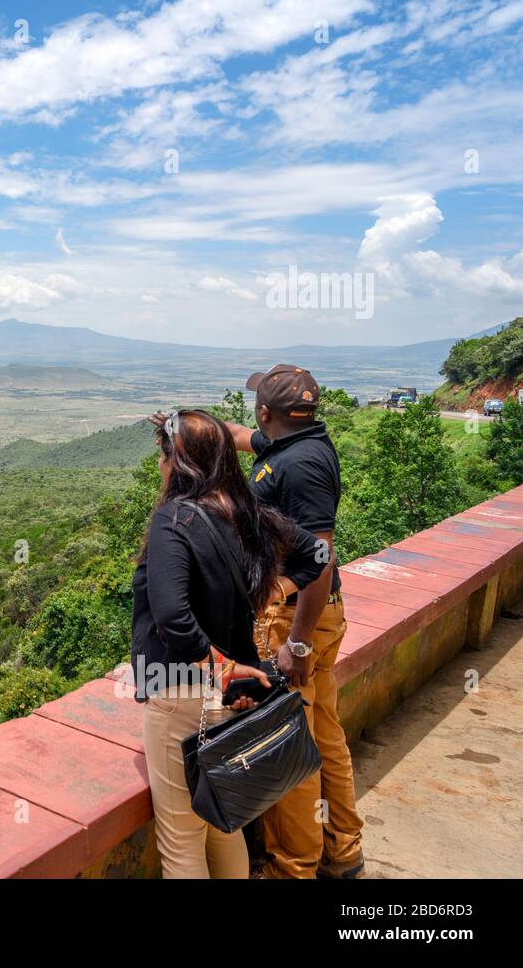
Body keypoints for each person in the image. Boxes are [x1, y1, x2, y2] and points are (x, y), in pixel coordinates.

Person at [132, 409, 326, 879]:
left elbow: (174, 615)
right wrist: (275, 590)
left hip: (184, 689)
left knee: (180, 840)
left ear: (176, 461)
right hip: (236, 693)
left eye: (162, 453)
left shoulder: (173, 520)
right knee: (223, 823)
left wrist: (216, 667)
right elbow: (318, 554)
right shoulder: (244, 511)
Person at [219, 364, 366, 880]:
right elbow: (237, 437)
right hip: (311, 616)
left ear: (267, 411)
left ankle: (293, 868)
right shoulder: (292, 440)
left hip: (294, 617)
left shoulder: (300, 464)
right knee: (322, 731)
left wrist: (297, 643)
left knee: (288, 746)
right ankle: (343, 850)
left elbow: (319, 558)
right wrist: (185, 427)